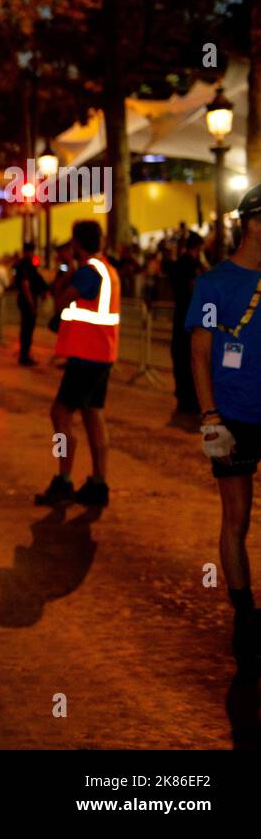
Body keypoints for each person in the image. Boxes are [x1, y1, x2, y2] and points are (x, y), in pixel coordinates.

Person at [188, 187, 261, 669]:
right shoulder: (215, 284)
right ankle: (245, 616)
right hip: (233, 416)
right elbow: (200, 353)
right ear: (254, 223)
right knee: (236, 518)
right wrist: (210, 415)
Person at [35, 220, 120, 508]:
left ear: (76, 244)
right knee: (93, 416)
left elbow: (60, 301)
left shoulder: (88, 272)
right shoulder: (106, 269)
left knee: (60, 414)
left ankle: (64, 479)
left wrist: (67, 270)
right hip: (102, 354)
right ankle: (99, 482)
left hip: (87, 357)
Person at [169, 232, 206, 418]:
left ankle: (183, 399)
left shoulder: (179, 263)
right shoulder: (191, 264)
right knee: (190, 358)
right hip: (189, 316)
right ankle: (191, 400)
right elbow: (196, 286)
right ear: (198, 247)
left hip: (180, 315)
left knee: (180, 358)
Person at [13, 242, 46, 365]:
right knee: (27, 329)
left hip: (26, 299)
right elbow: (25, 284)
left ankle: (25, 354)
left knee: (27, 329)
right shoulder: (25, 265)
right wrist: (31, 303)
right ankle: (24, 356)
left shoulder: (25, 264)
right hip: (27, 300)